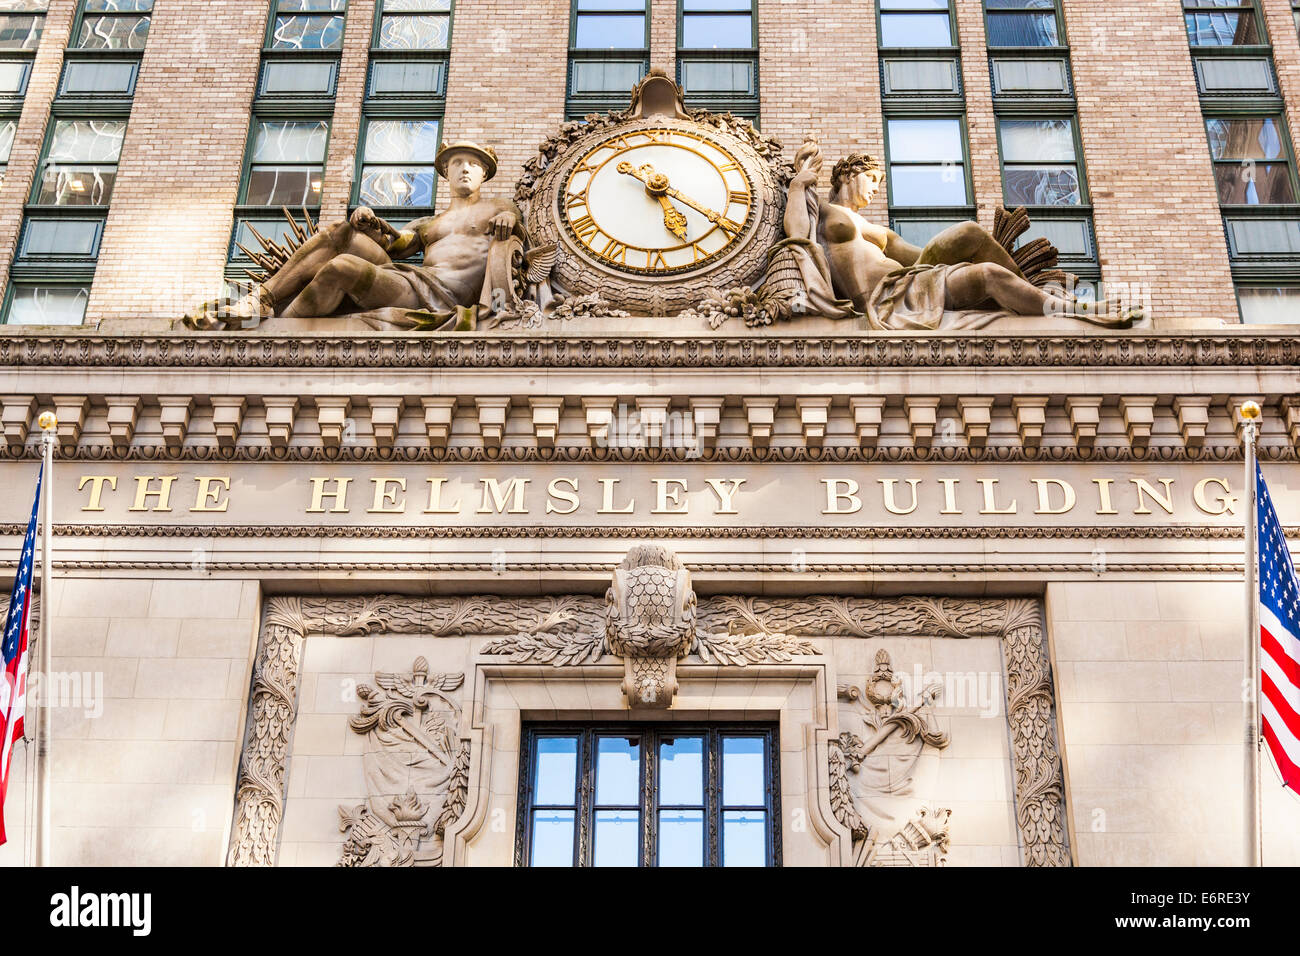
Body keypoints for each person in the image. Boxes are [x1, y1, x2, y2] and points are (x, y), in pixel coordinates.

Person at [786, 140, 1137, 330]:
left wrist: (952, 261)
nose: (876, 189)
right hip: (880, 300)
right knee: (980, 255)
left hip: (909, 284)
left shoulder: (878, 232)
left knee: (987, 271)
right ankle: (1053, 301)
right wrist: (799, 185)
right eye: (873, 179)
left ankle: (1074, 310)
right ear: (849, 173)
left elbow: (917, 256)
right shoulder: (823, 210)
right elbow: (798, 236)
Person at [184, 141, 523, 330]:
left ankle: (278, 331)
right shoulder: (429, 223)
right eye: (457, 163)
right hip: (414, 279)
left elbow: (519, 229)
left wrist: (510, 219)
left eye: (473, 164)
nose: (465, 168)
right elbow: (398, 245)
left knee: (341, 268)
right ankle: (260, 301)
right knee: (340, 232)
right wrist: (371, 225)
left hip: (441, 298)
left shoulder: (499, 207)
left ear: (485, 173)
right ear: (446, 173)